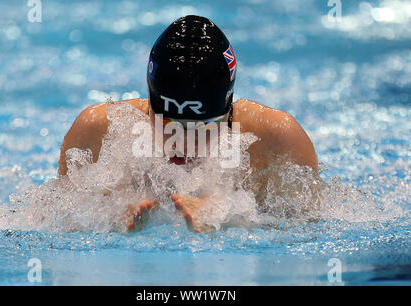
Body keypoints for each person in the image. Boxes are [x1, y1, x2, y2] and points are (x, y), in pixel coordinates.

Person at [58, 15, 318, 232]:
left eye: (202, 127)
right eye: (169, 123)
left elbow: (315, 234)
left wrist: (229, 220)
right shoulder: (98, 132)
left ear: (228, 110)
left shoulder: (275, 141)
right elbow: (54, 223)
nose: (182, 143)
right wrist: (108, 219)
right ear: (149, 104)